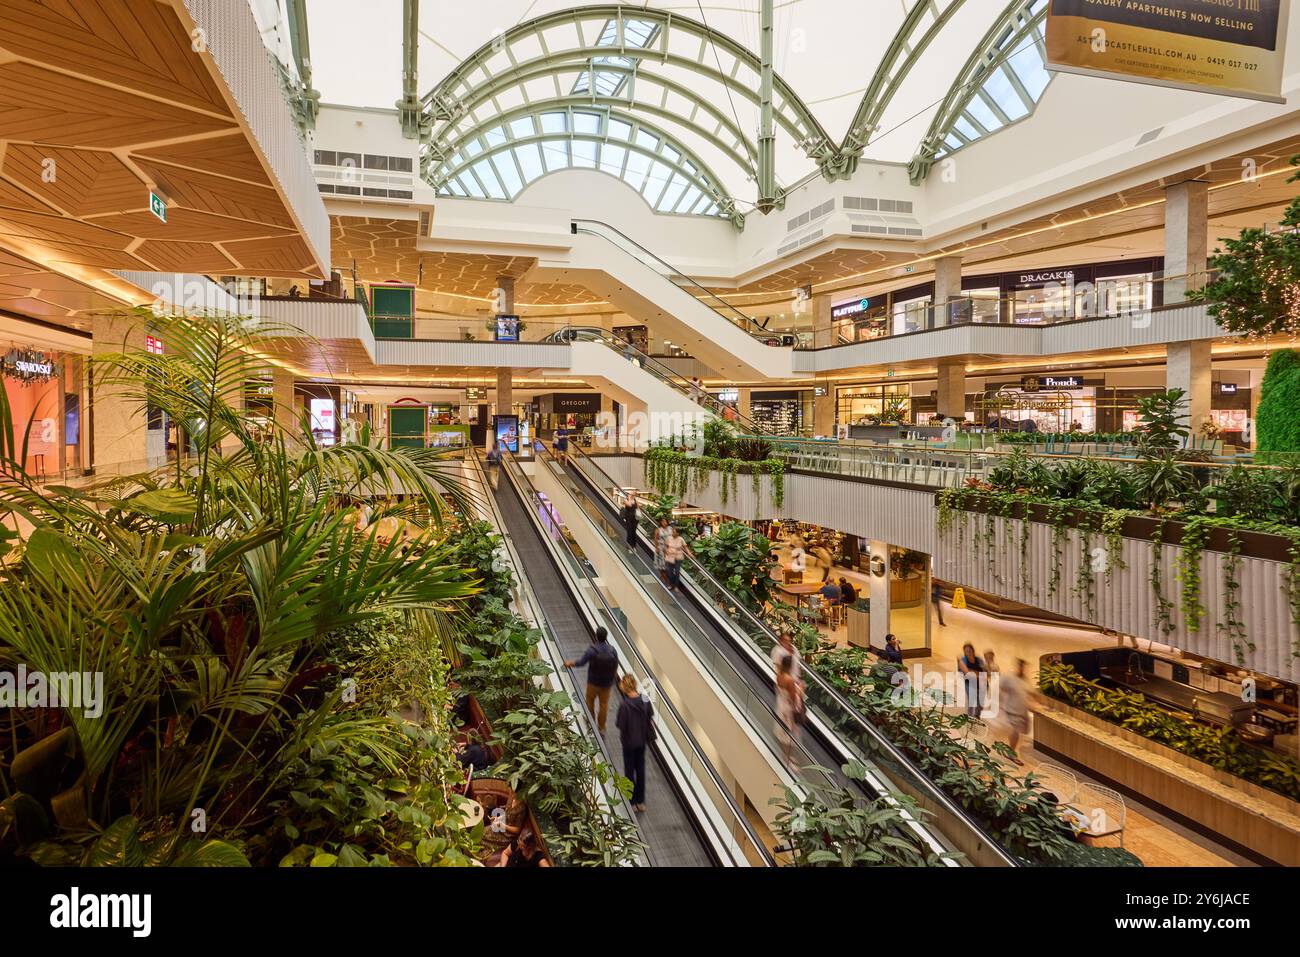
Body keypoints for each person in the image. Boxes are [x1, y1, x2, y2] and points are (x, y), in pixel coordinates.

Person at [563, 626, 619, 734]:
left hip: (593, 682)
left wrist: (570, 663)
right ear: (606, 637)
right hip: (607, 684)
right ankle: (601, 728)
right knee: (604, 705)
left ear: (596, 636)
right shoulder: (613, 650)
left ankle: (591, 722)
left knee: (590, 701)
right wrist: (613, 678)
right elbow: (616, 665)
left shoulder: (592, 650)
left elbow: (581, 662)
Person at [615, 673, 655, 812]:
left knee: (629, 772)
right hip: (642, 741)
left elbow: (620, 724)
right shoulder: (645, 699)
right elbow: (650, 715)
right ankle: (641, 801)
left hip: (628, 743)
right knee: (641, 770)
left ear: (624, 687)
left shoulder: (624, 705)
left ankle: (631, 802)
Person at [999, 658, 1030, 764]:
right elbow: (1001, 687)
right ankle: (1011, 754)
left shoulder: (1025, 679)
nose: (1022, 669)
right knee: (1015, 732)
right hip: (1012, 709)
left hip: (1022, 710)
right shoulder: (1009, 677)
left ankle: (1009, 750)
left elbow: (1029, 692)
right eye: (1021, 666)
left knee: (1020, 732)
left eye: (1024, 667)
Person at [775, 653, 803, 772]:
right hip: (788, 709)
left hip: (781, 704)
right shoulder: (789, 680)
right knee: (789, 734)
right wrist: (801, 690)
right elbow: (793, 697)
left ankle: (787, 757)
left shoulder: (779, 675)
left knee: (783, 732)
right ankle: (788, 760)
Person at [957, 642, 986, 719]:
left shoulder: (979, 660)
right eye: (966, 651)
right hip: (969, 684)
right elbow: (967, 674)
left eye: (970, 650)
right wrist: (976, 673)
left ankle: (977, 715)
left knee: (980, 703)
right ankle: (970, 717)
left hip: (981, 684)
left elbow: (985, 672)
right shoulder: (963, 661)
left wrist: (972, 671)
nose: (968, 653)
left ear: (973, 651)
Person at [663, 523, 689, 592]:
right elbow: (665, 546)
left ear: (677, 533)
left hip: (678, 557)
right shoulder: (669, 538)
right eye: (672, 532)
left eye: (674, 532)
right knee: (670, 572)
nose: (673, 533)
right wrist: (666, 551)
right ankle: (671, 584)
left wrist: (689, 553)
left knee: (677, 572)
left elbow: (685, 547)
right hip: (670, 557)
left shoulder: (681, 539)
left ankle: (676, 586)